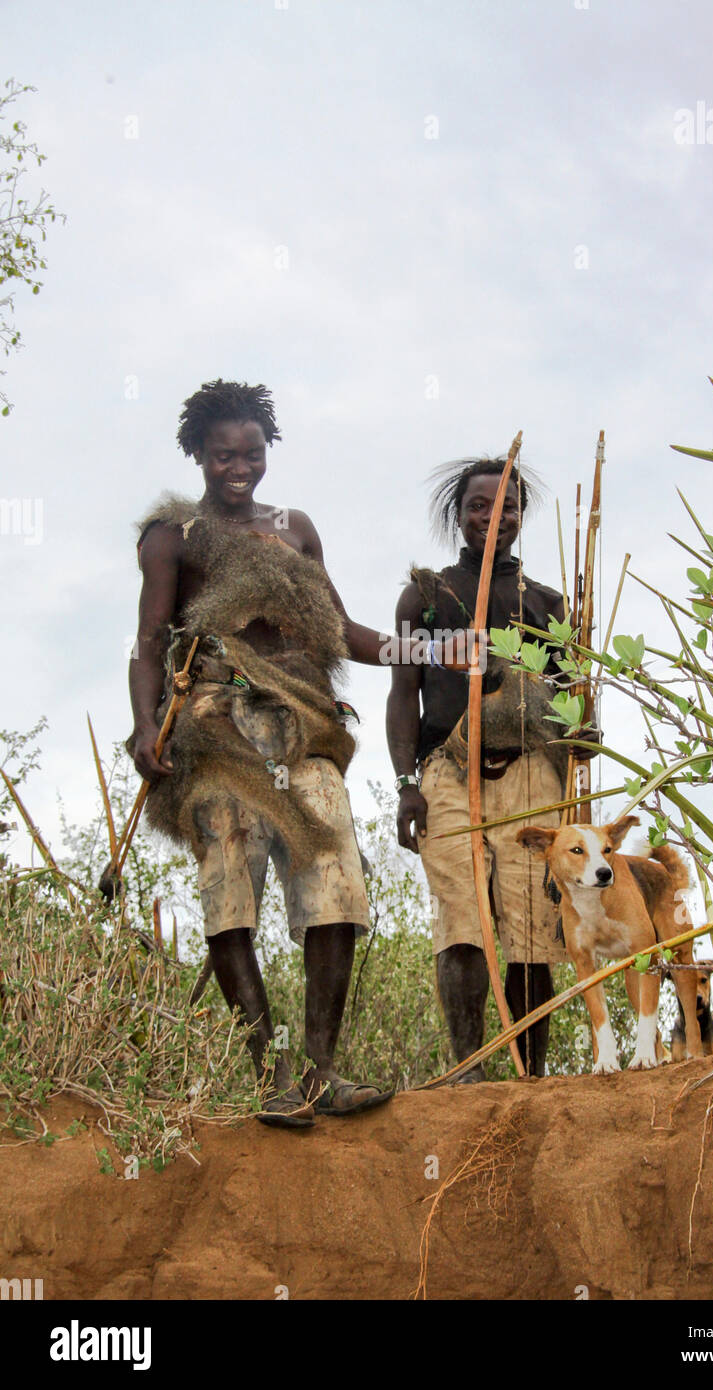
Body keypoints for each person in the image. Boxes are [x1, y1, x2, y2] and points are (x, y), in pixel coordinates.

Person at [129, 380, 466, 1126]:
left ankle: (321, 1070)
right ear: (196, 455)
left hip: (306, 724)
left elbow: (347, 633)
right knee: (229, 888)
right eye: (222, 456)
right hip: (216, 725)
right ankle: (270, 1073)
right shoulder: (172, 539)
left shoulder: (297, 529)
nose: (238, 468)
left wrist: (436, 647)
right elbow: (151, 643)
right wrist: (142, 725)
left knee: (336, 879)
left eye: (251, 454)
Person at [386, 456, 594, 1080]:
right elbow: (402, 694)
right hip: (449, 772)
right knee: (462, 913)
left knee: (533, 919)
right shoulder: (426, 595)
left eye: (506, 507)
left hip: (533, 773)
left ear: (522, 517)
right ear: (459, 514)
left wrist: (583, 732)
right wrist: (405, 785)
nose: (493, 517)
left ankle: (530, 1072)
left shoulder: (550, 603)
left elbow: (575, 698)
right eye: (480, 505)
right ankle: (469, 1068)